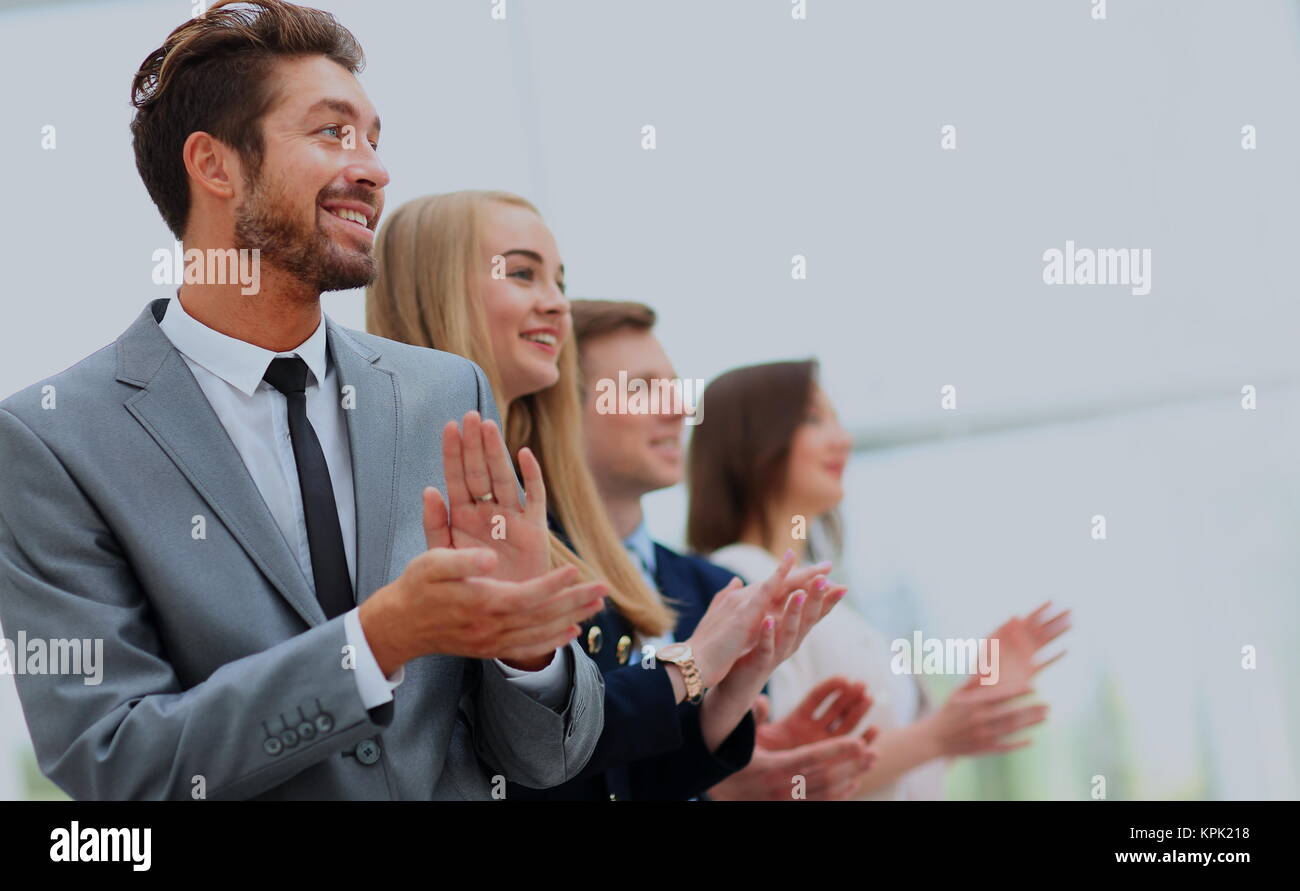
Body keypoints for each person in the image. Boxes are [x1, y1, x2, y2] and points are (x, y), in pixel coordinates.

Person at [0, 0, 607, 800]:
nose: (374, 169)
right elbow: (118, 762)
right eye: (331, 133)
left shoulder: (445, 391)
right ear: (215, 165)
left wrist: (525, 651)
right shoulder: (54, 439)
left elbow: (542, 759)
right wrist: (377, 641)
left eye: (374, 139)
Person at [366, 191, 843, 799]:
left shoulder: (544, 521)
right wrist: (692, 664)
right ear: (437, 292)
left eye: (560, 281)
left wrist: (729, 690)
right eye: (521, 273)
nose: (555, 304)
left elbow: (594, 773)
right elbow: (516, 763)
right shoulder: (395, 503)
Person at [688, 360, 1072, 799]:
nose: (843, 439)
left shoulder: (820, 596)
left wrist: (966, 711)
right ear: (754, 439)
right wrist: (942, 733)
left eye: (837, 420)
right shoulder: (737, 581)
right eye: (814, 419)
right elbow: (779, 781)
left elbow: (887, 768)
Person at [572, 299, 879, 800]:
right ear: (560, 410)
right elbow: (558, 756)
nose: (677, 408)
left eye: (672, 388)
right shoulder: (539, 575)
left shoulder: (715, 589)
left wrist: (722, 754)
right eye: (642, 388)